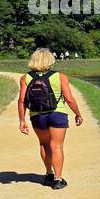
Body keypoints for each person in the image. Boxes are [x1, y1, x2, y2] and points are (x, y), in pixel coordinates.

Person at [18, 48, 83, 190]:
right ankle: (58, 179)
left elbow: (22, 101)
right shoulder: (60, 76)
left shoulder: (25, 78)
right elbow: (69, 99)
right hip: (57, 113)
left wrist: (22, 120)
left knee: (44, 144)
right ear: (50, 60)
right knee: (57, 146)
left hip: (37, 115)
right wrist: (78, 113)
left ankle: (48, 174)